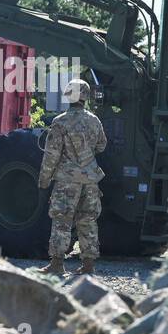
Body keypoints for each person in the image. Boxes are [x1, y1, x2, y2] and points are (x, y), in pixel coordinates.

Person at [38, 78, 107, 276]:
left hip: (67, 181)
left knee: (62, 219)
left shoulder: (60, 122)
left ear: (69, 95)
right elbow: (102, 145)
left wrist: (44, 179)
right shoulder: (95, 120)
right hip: (91, 180)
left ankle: (57, 265)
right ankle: (88, 266)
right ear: (86, 97)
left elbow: (51, 154)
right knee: (88, 221)